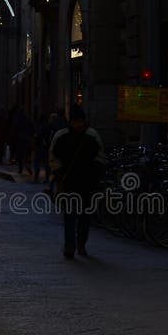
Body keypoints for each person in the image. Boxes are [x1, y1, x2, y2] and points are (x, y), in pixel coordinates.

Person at [49, 105, 105, 258]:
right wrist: (60, 175)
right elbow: (53, 158)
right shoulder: (62, 136)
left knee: (84, 217)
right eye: (76, 121)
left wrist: (94, 173)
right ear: (71, 121)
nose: (79, 124)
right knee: (70, 216)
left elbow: (100, 157)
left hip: (86, 183)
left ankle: (80, 243)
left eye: (81, 121)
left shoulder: (91, 135)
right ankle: (70, 246)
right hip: (69, 183)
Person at [32, 114, 51, 183]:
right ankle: (46, 178)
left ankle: (36, 177)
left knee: (37, 162)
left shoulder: (40, 127)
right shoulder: (49, 126)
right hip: (47, 147)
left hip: (40, 146)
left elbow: (37, 135)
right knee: (46, 163)